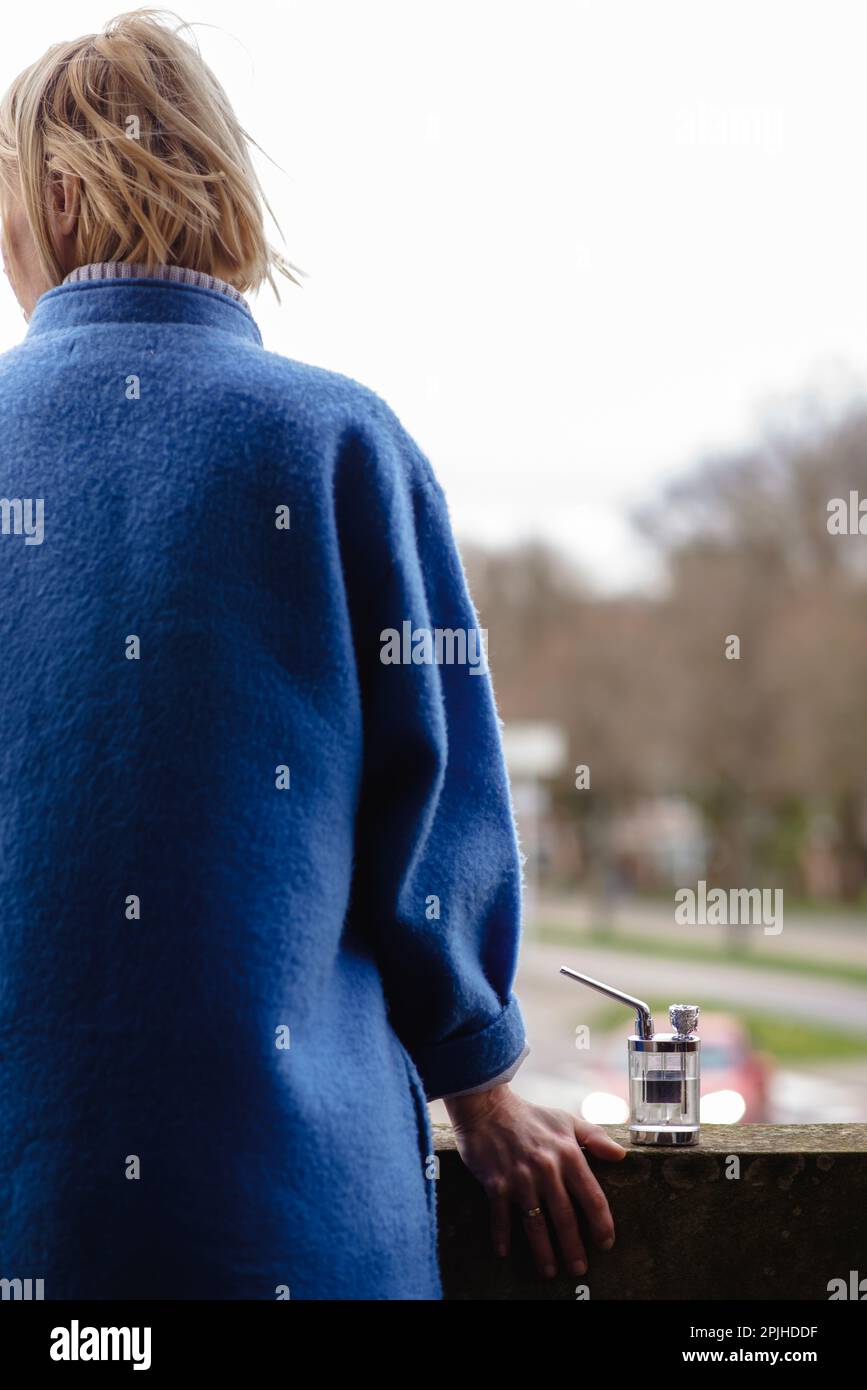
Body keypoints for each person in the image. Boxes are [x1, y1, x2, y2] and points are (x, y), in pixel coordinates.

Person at [0, 9, 625, 1300]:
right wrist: (483, 1077)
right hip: (300, 1230)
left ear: (58, 192)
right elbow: (436, 818)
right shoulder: (343, 444)